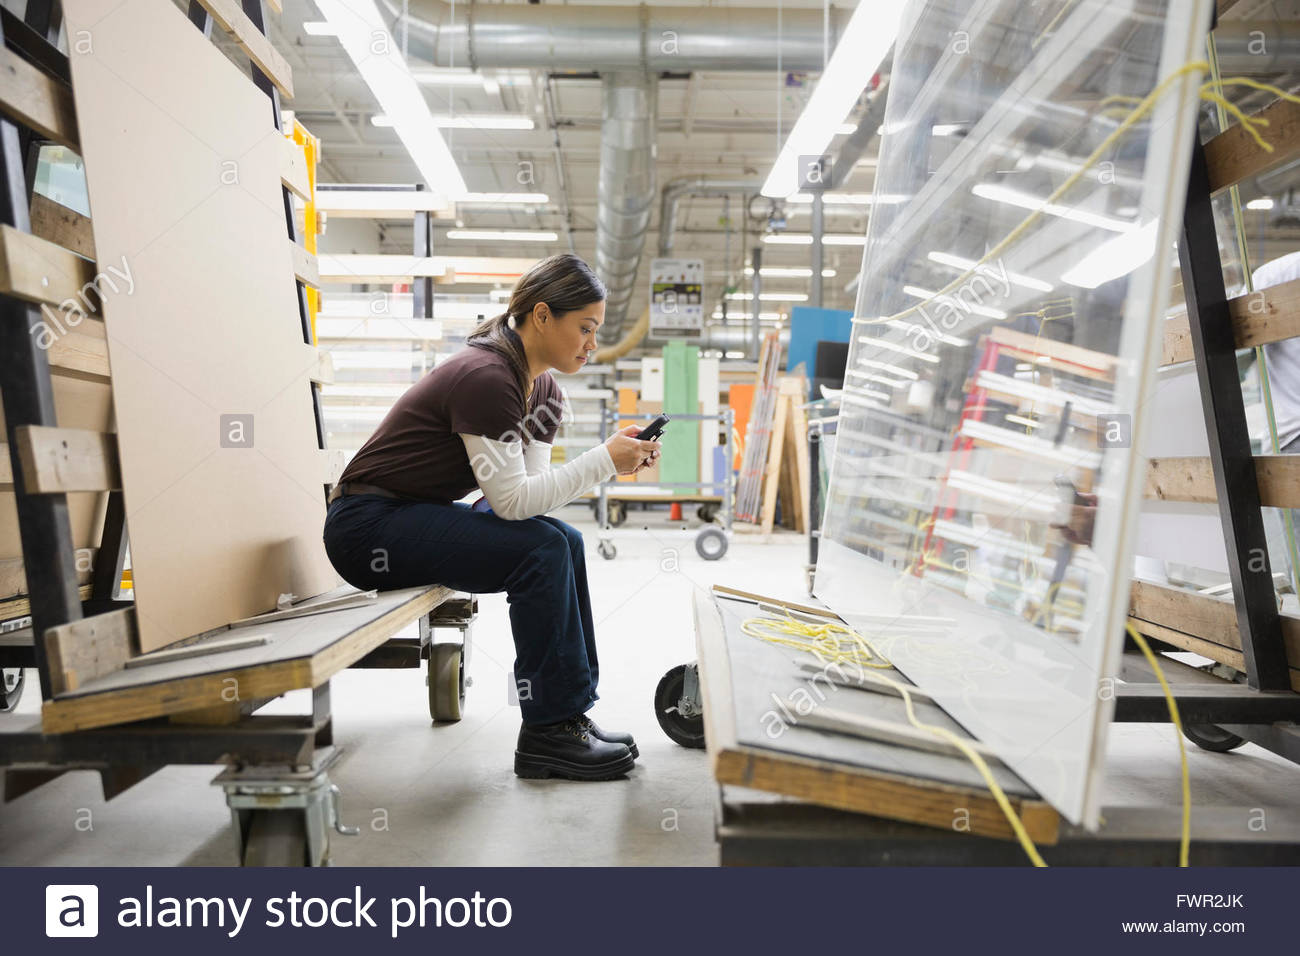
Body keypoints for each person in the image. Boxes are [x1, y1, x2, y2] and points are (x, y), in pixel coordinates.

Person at [322, 254, 663, 781]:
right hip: (366, 528)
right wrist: (602, 461)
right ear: (543, 316)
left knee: (562, 539)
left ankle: (569, 715)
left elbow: (529, 497)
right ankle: (546, 734)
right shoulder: (487, 376)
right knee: (541, 548)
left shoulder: (543, 388)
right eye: (585, 329)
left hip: (413, 514)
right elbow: (510, 504)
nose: (592, 344)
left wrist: (613, 464)